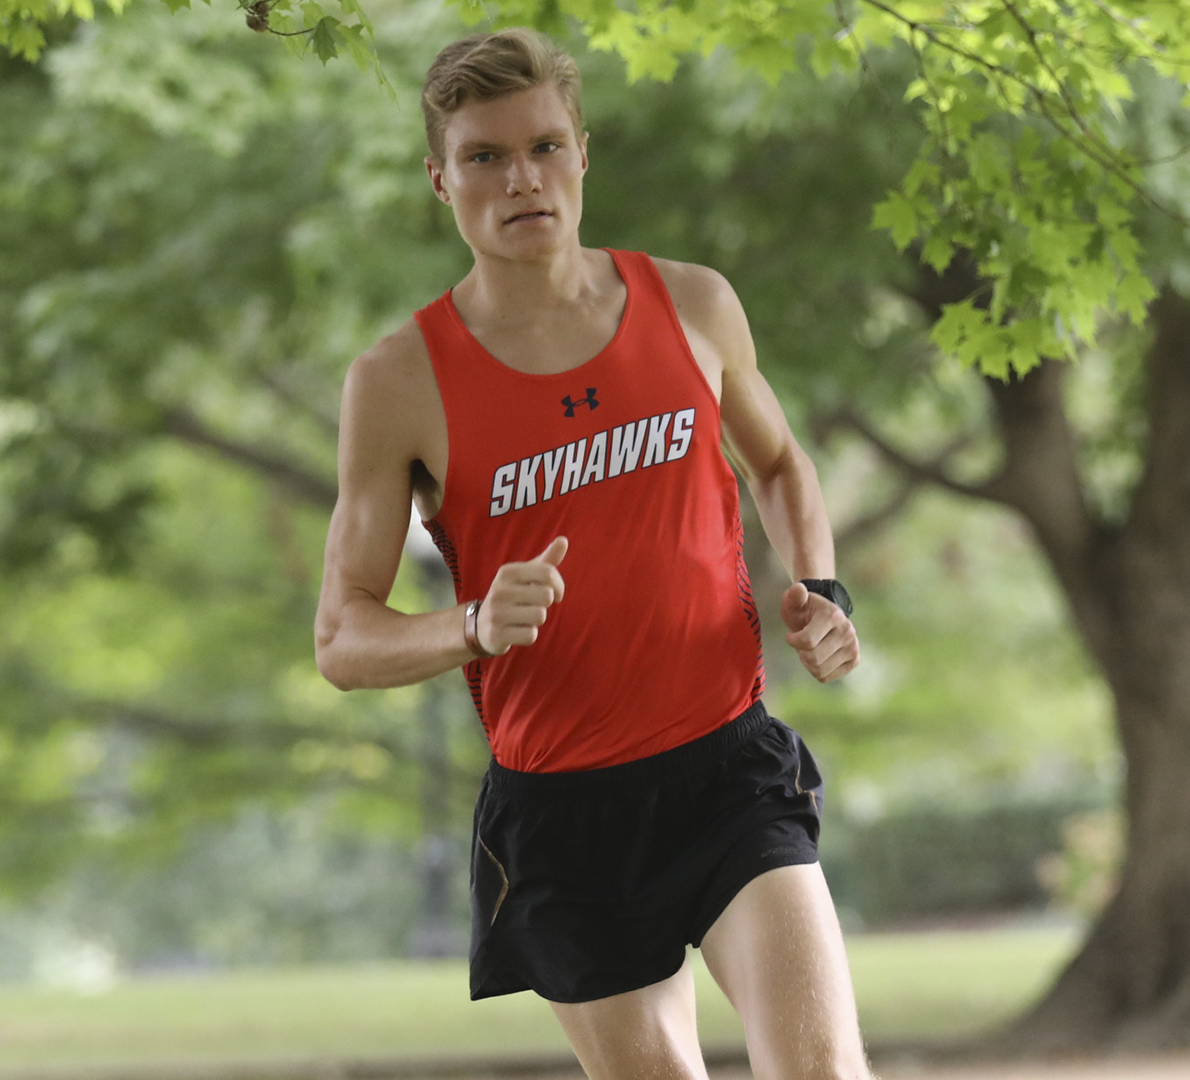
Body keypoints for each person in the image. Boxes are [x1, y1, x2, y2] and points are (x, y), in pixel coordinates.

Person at [314, 28, 868, 1080]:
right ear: (440, 180)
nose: (520, 177)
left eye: (544, 146)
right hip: (563, 815)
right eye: (484, 156)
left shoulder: (694, 304)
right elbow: (343, 635)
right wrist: (469, 627)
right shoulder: (397, 380)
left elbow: (783, 467)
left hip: (726, 770)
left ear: (581, 155)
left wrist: (821, 590)